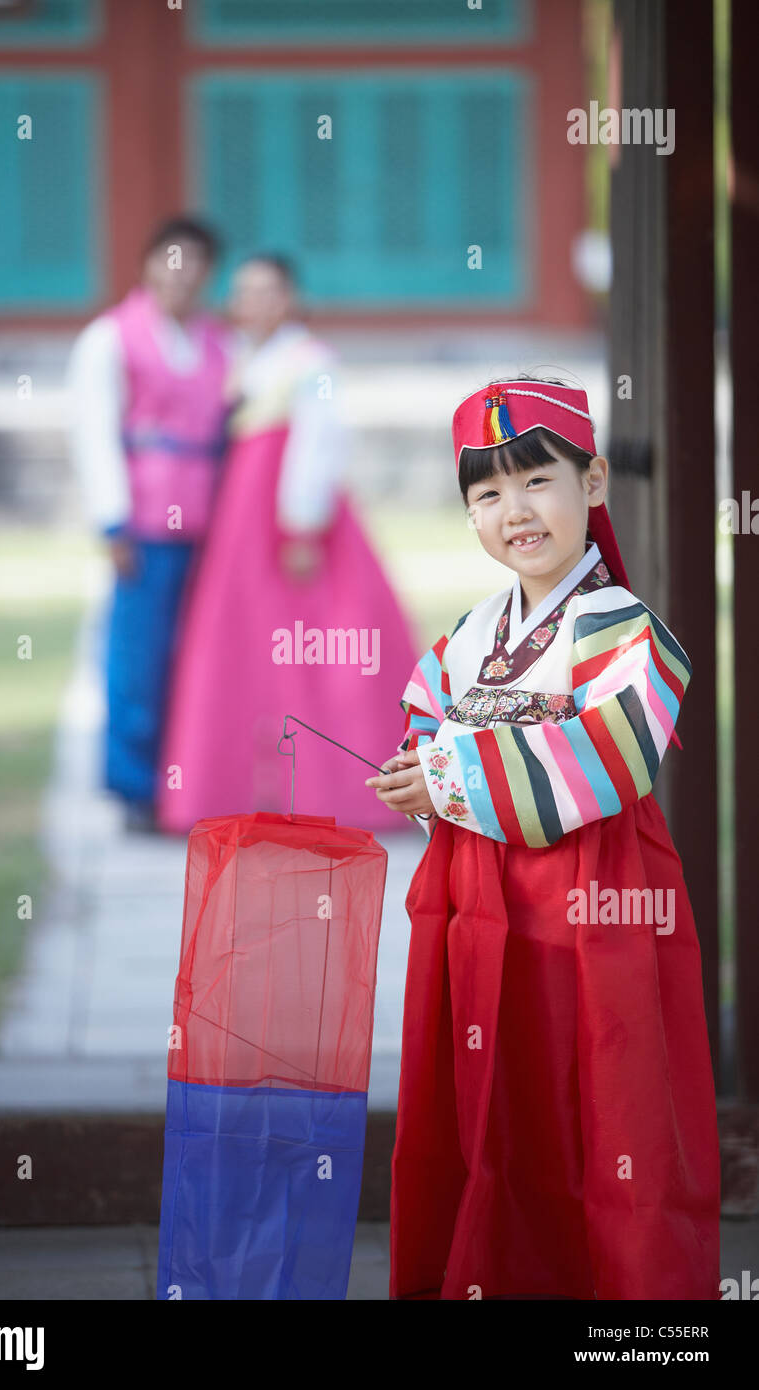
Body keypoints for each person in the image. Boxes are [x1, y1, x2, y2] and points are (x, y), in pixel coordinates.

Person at [366, 376, 720, 1300]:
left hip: (590, 909)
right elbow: (424, 717)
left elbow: (612, 756)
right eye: (487, 493)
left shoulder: (624, 628)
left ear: (592, 482)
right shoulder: (472, 634)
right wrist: (417, 770)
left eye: (537, 481)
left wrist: (448, 775)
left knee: (600, 1113)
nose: (514, 511)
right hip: (478, 913)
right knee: (490, 1110)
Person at [156, 254, 418, 832]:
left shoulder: (310, 361)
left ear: (291, 298)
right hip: (240, 523)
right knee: (243, 650)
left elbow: (319, 445)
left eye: (269, 291)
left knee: (310, 649)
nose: (255, 303)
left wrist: (302, 524)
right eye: (245, 292)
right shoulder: (239, 360)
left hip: (287, 522)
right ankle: (244, 788)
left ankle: (330, 788)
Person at [66, 216, 231, 831]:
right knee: (139, 658)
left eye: (194, 261)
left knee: (199, 659)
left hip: (212, 526)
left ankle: (187, 785)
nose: (181, 272)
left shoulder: (219, 344)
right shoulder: (110, 339)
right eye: (170, 257)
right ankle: (136, 791)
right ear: (146, 264)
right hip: (146, 527)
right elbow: (94, 435)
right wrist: (112, 522)